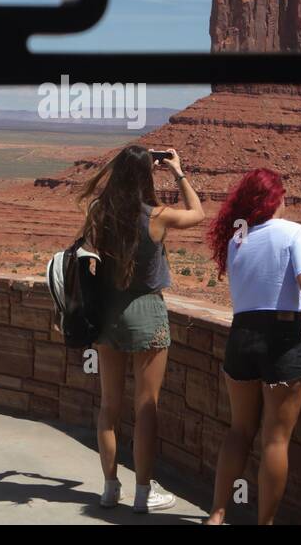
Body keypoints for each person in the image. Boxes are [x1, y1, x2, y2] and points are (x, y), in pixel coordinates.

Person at [204, 169, 301, 525]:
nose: (286, 201)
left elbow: (256, 298)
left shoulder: (237, 238)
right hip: (280, 342)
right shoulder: (294, 232)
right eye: (283, 195)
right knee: (275, 441)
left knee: (239, 430)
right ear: (274, 198)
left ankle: (217, 514)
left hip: (242, 337)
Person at [78, 145, 205, 512]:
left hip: (108, 316)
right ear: (146, 176)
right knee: (146, 407)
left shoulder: (99, 213)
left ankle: (109, 487)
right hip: (147, 312)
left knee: (109, 407)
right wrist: (178, 171)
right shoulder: (158, 216)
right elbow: (199, 213)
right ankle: (144, 493)